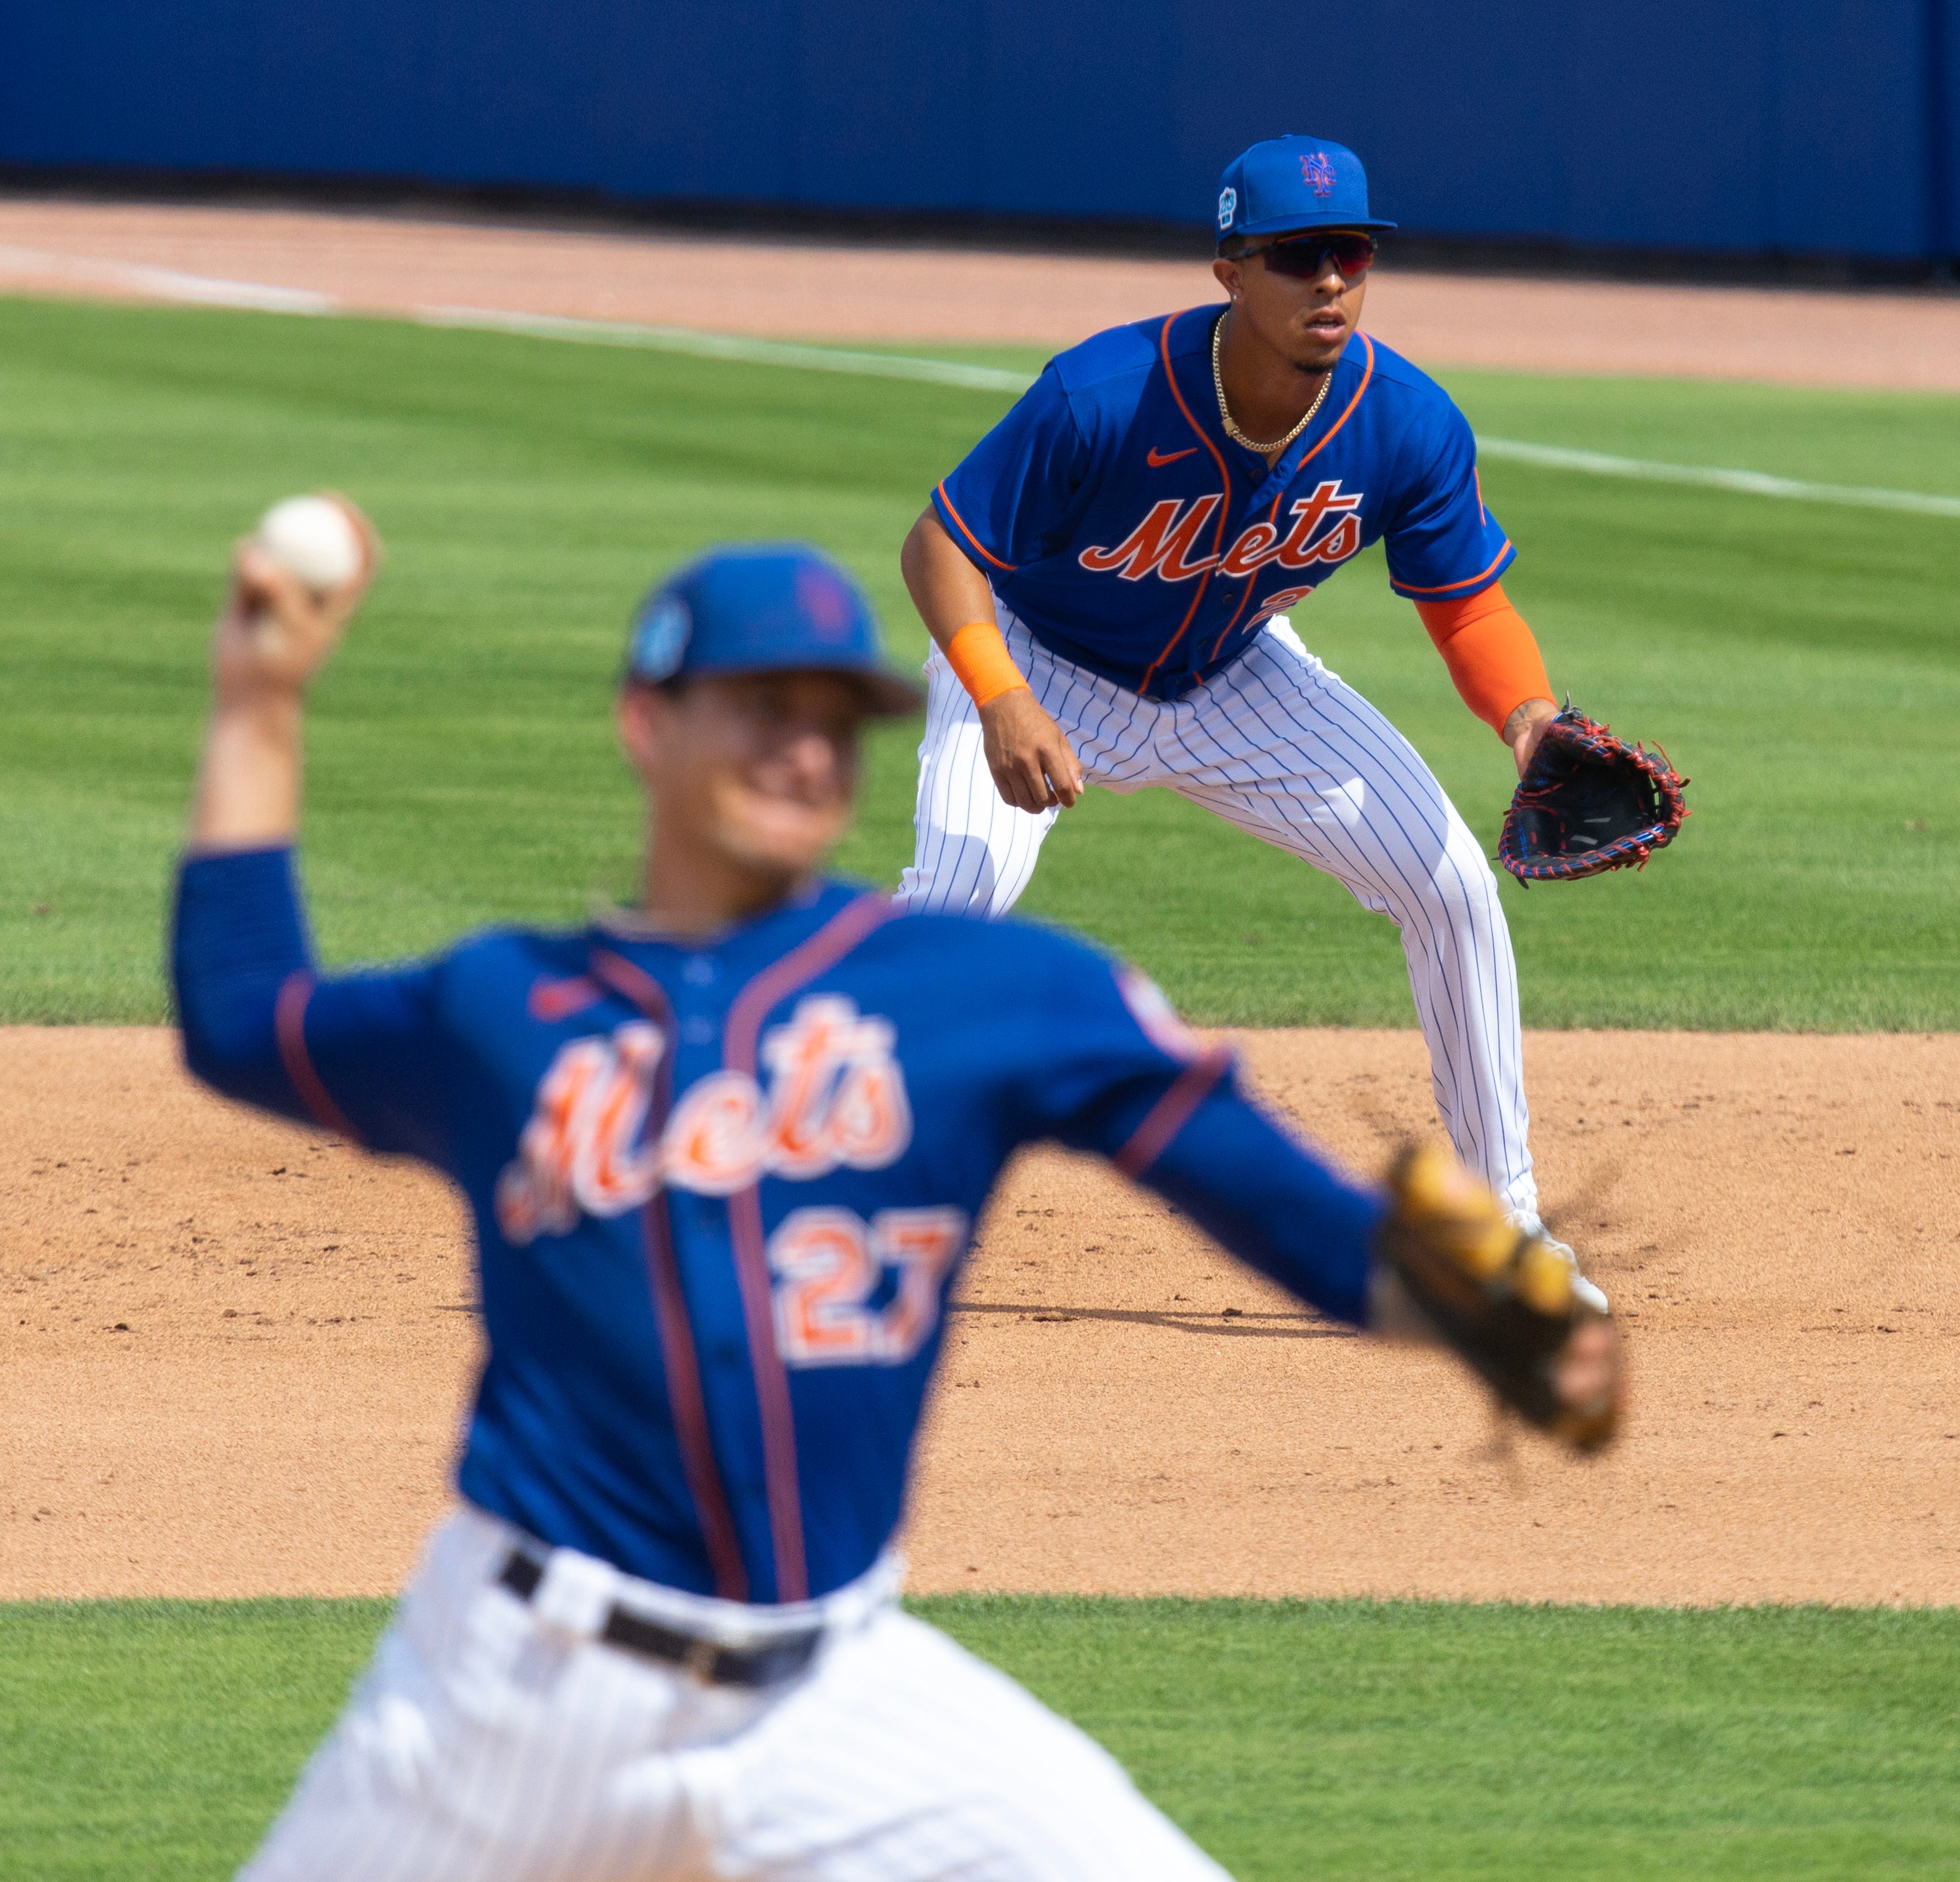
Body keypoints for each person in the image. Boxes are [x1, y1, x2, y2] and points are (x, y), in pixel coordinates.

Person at [170, 513, 1615, 1881]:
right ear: (644, 723)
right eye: (758, 707)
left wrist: (1448, 1299)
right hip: (510, 1692)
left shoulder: (985, 996)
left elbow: (1249, 1184)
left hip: (836, 1693)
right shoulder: (506, 1005)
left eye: (830, 720)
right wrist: (259, 692)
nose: (803, 750)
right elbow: (244, 1018)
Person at [899, 135, 1578, 1253]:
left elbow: (1466, 603)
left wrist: (1529, 718)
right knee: (949, 914)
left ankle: (1498, 1231)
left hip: (1235, 678)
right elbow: (941, 546)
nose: (1329, 281)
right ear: (1229, 268)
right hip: (1039, 660)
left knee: (1452, 885)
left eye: (1350, 253)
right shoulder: (1102, 393)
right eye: (1297, 254)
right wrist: (1000, 697)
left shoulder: (1404, 419)